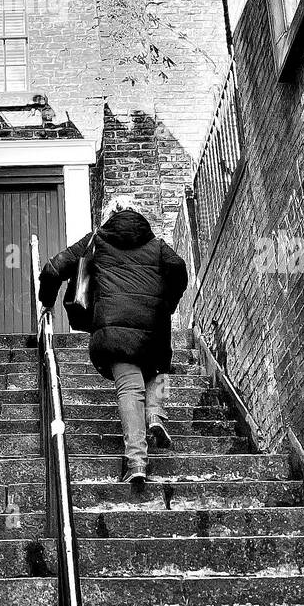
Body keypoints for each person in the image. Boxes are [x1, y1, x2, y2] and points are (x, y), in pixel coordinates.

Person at [38, 194, 189, 487]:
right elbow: (180, 270)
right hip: (154, 327)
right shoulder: (157, 245)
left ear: (110, 214)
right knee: (158, 367)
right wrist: (167, 302)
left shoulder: (96, 241)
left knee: (130, 388)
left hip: (114, 330)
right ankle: (156, 414)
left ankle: (136, 460)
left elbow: (53, 268)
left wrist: (47, 301)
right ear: (138, 213)